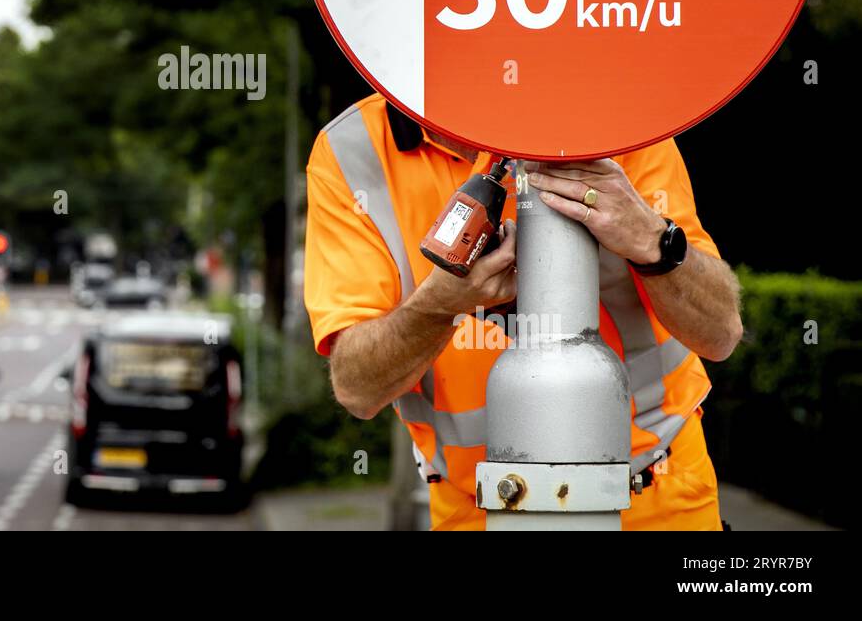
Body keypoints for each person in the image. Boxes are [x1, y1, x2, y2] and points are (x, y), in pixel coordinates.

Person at [304, 95, 744, 530]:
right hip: (477, 506)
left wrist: (652, 240)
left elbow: (721, 333)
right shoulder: (354, 149)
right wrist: (440, 306)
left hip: (657, 498)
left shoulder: (613, 108)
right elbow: (357, 388)